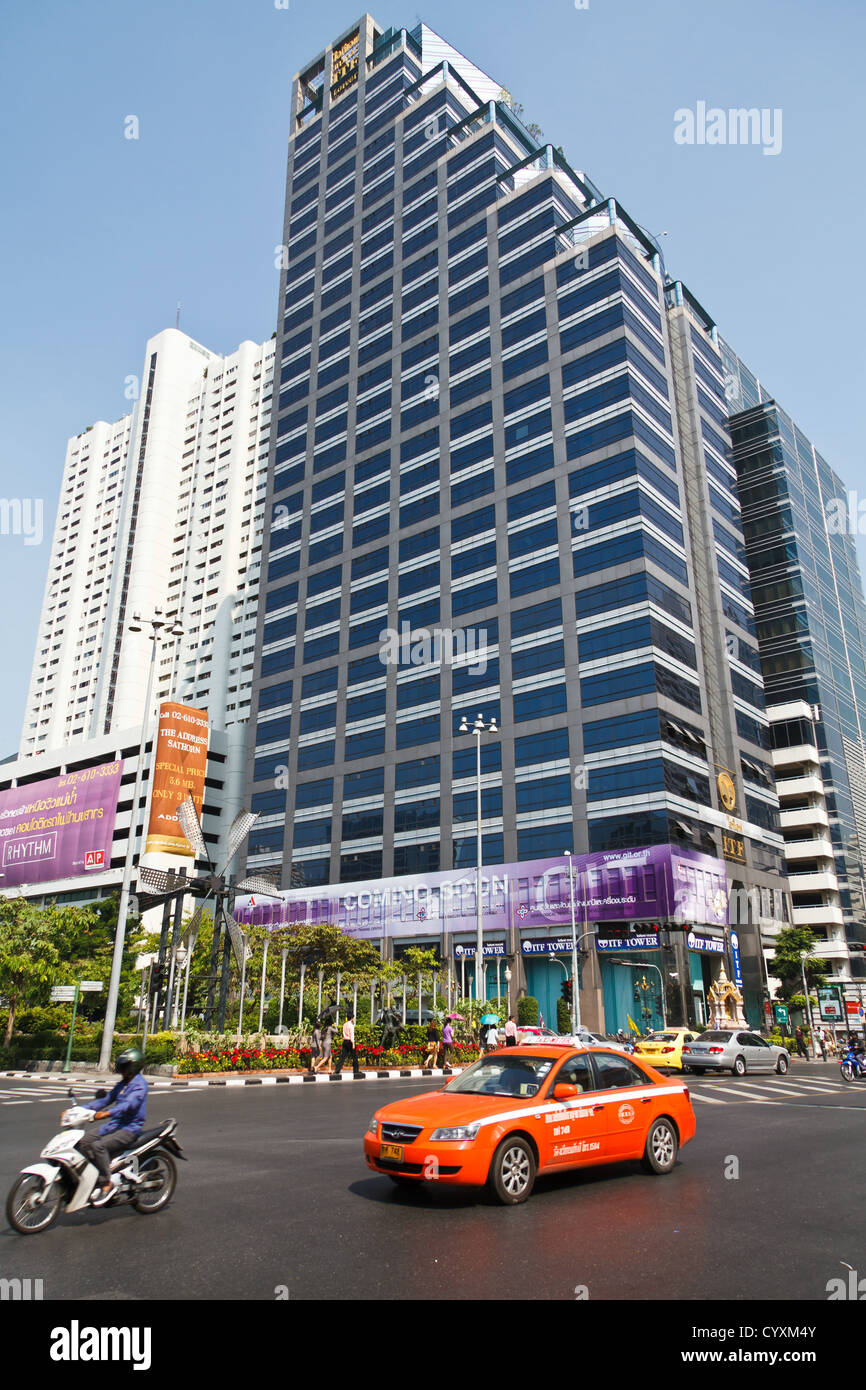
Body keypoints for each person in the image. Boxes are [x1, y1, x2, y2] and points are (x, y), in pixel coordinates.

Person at [82, 1048, 148, 1204]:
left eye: (125, 1065)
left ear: (133, 1066)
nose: (121, 1068)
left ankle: (106, 1182)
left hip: (129, 1129)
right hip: (114, 1125)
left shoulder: (139, 1086)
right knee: (83, 1142)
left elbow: (128, 1105)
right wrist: (80, 1110)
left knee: (98, 1146)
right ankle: (94, 1174)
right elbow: (104, 1101)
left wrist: (106, 1114)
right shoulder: (122, 1084)